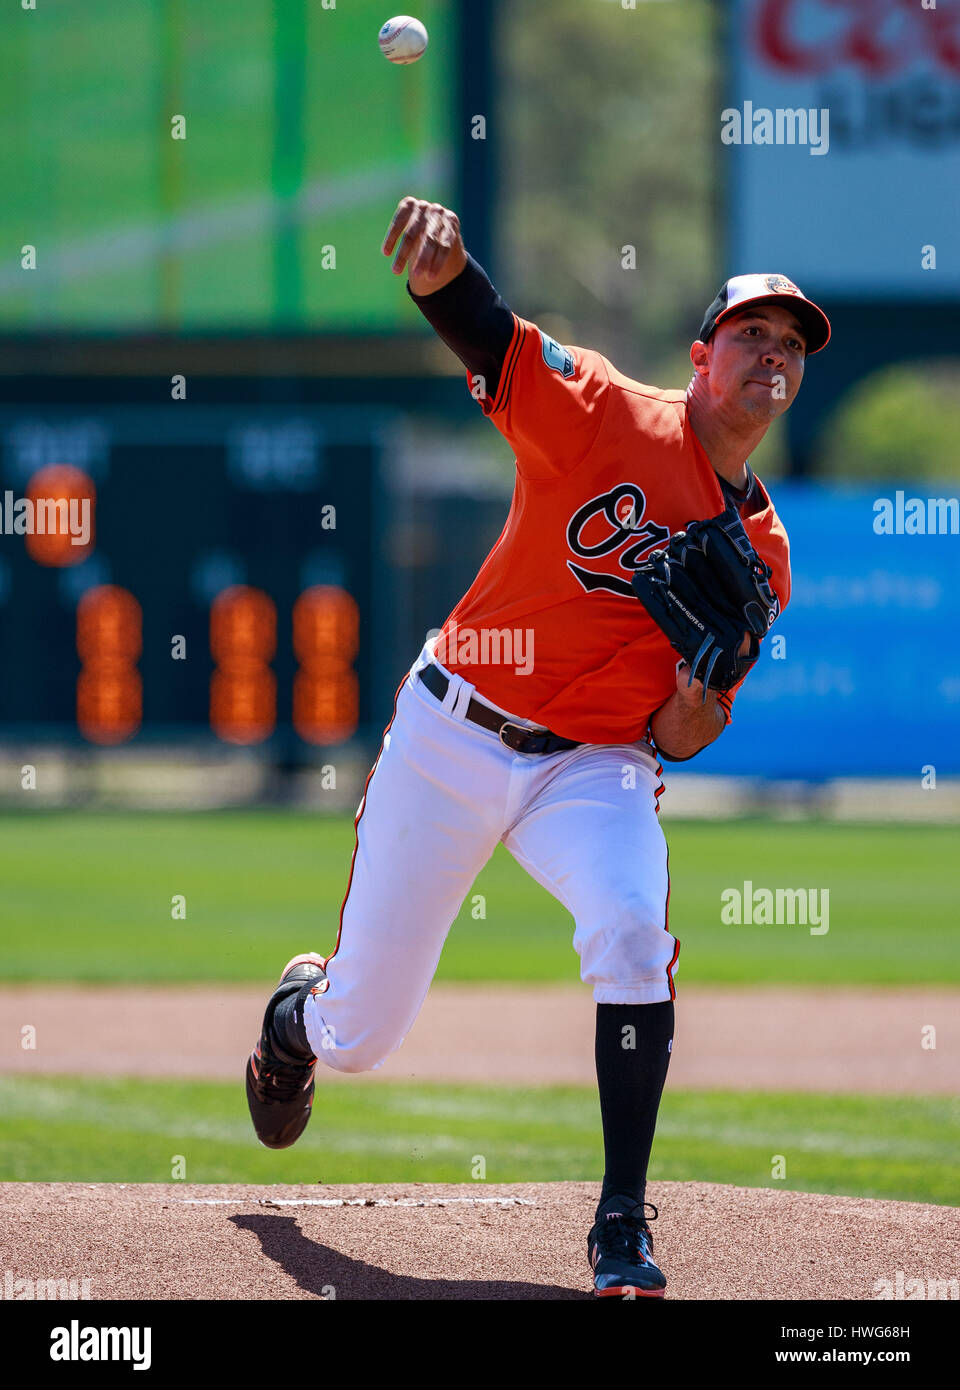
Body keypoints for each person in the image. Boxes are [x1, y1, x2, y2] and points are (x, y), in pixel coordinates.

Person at [245, 197, 831, 1299]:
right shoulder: (606, 410)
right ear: (703, 357)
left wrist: (702, 707)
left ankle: (620, 1222)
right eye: (752, 333)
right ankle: (295, 1019)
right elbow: (492, 336)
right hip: (456, 725)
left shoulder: (765, 555)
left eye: (791, 342)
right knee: (363, 1035)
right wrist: (443, 272)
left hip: (595, 765)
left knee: (629, 925)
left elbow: (677, 732)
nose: (773, 353)